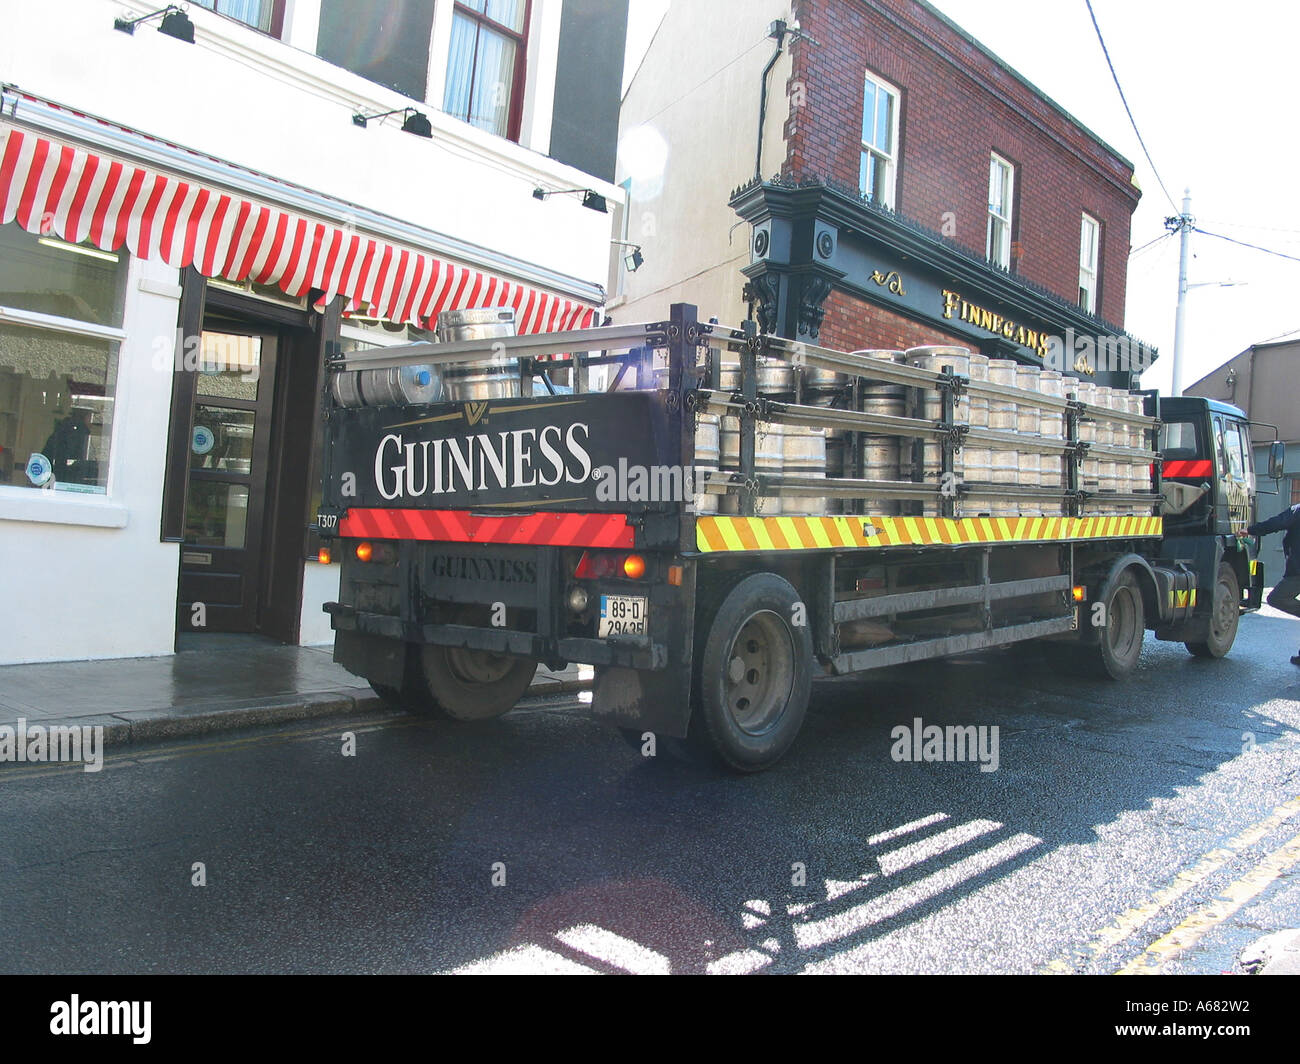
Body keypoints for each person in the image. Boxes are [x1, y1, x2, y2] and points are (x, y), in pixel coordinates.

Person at [1247, 502, 1300, 664]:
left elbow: (1278, 523)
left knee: (1277, 598)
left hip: (1298, 571)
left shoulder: (1297, 510)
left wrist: (1250, 530)